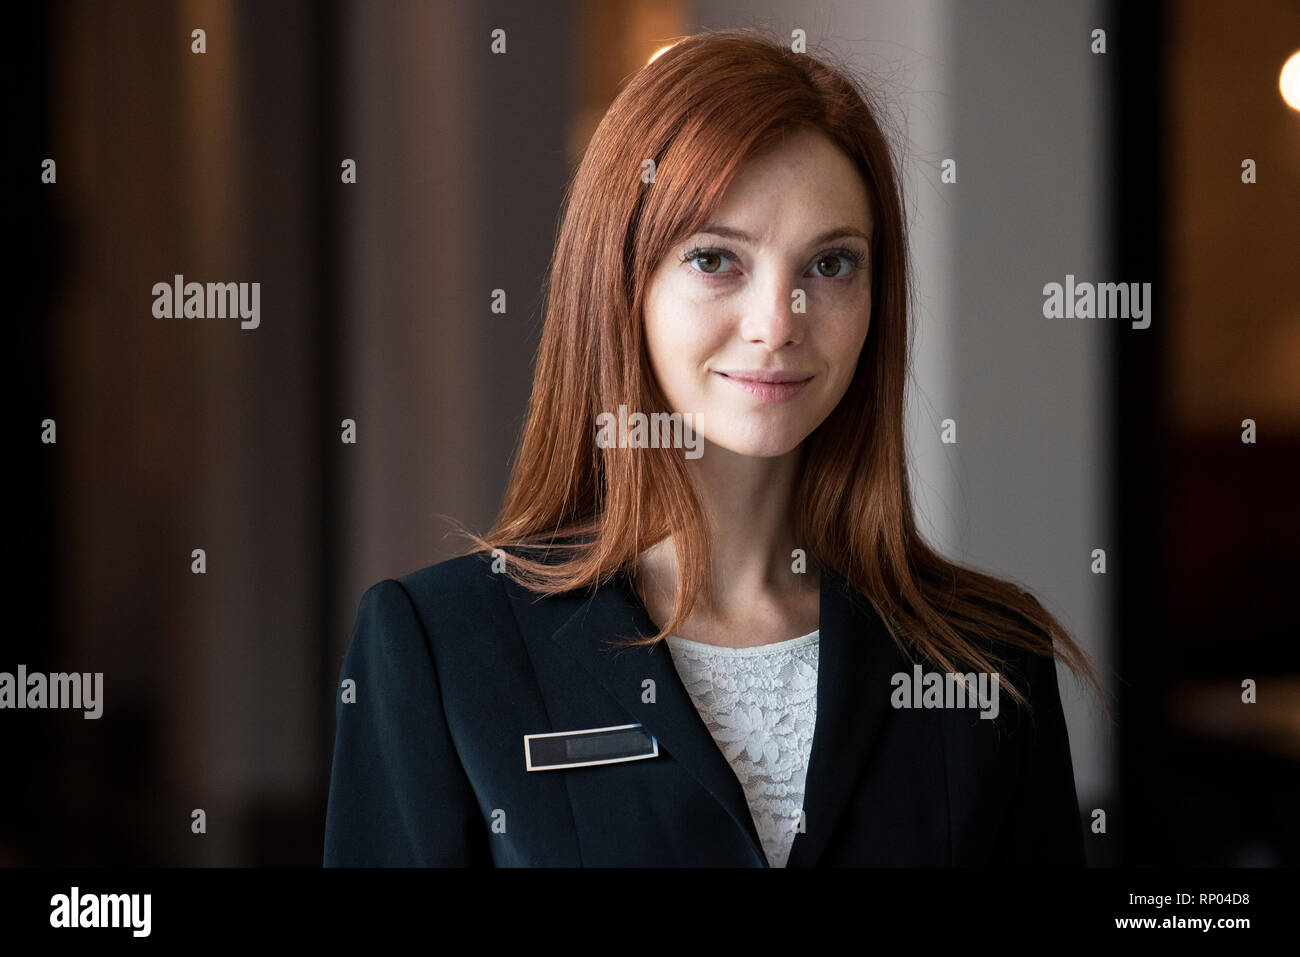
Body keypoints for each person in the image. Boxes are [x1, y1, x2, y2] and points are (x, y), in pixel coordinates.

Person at [323, 27, 1107, 867]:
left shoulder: (987, 658)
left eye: (831, 264)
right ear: (619, 285)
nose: (778, 322)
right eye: (714, 258)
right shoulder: (439, 649)